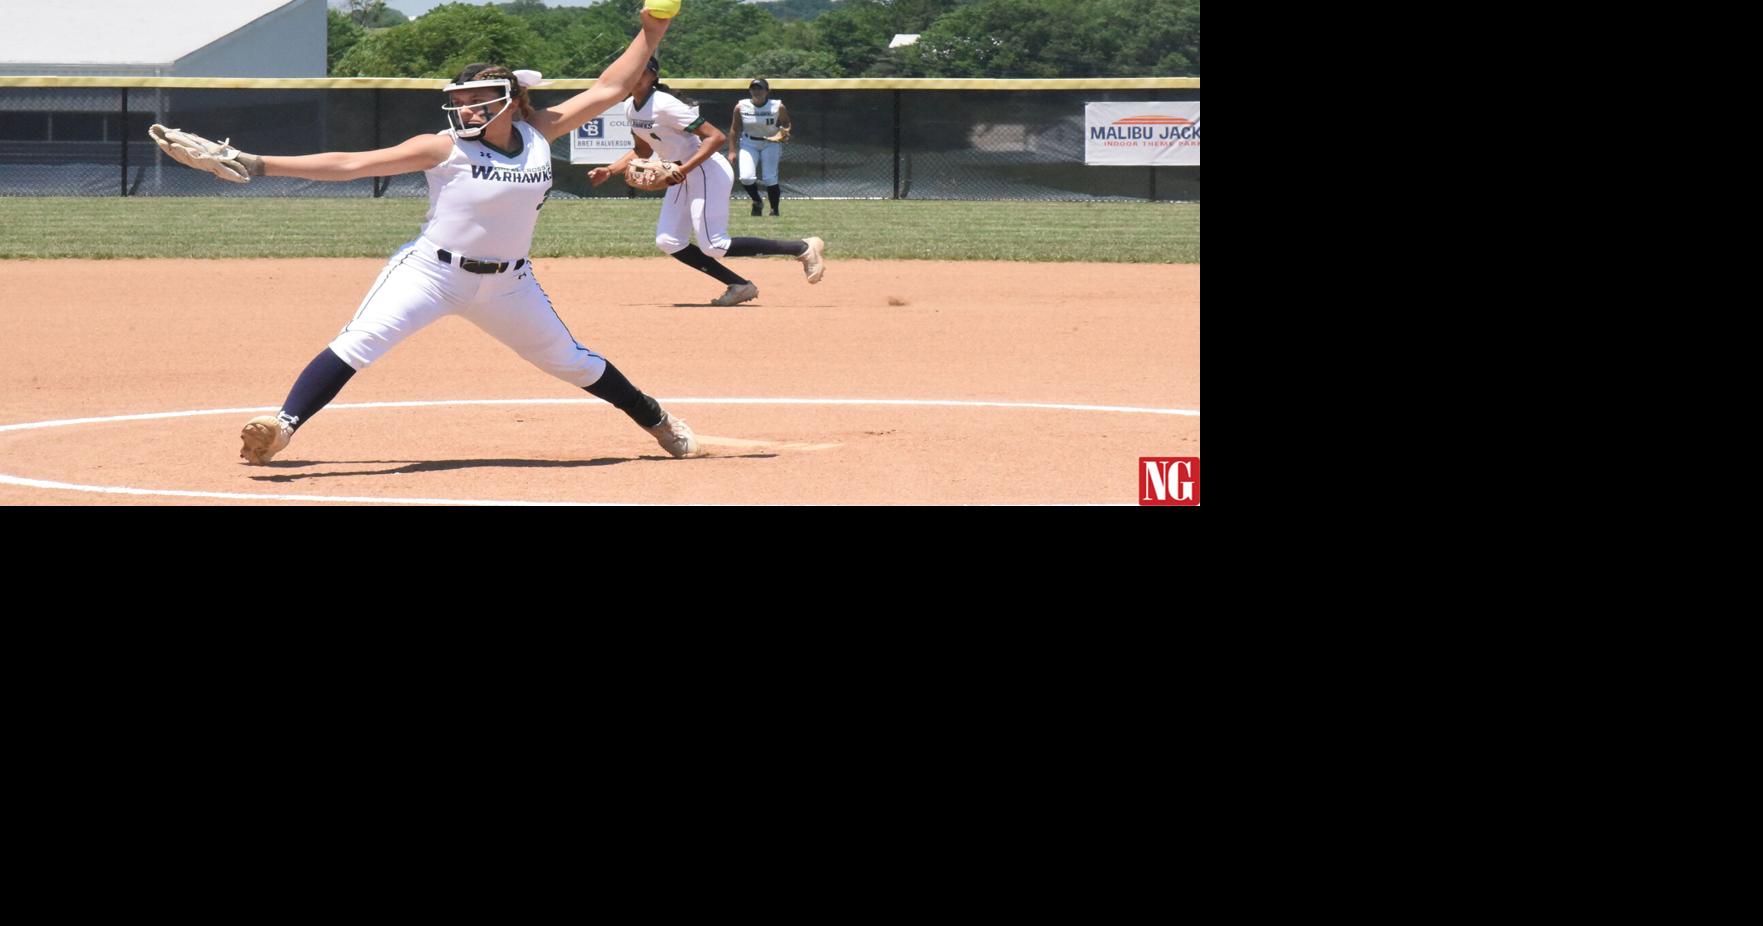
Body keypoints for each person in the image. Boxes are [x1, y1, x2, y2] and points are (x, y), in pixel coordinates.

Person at [157, 12, 703, 464]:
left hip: (510, 286)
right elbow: (351, 163)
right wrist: (259, 164)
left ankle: (659, 421)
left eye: (478, 98)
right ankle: (281, 426)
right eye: (461, 99)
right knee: (358, 342)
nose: (465, 108)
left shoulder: (539, 133)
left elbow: (611, 85)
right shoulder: (443, 146)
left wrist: (653, 26)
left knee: (574, 362)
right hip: (432, 274)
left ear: (509, 100)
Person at [589, 59, 824, 308]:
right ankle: (740, 285)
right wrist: (611, 169)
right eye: (631, 70)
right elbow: (642, 150)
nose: (634, 74)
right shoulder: (630, 108)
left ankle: (802, 247)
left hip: (704, 169)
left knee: (714, 245)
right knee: (668, 240)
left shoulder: (664, 104)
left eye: (641, 70)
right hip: (678, 173)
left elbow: (716, 137)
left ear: (652, 76)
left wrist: (683, 169)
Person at [728, 78, 791, 217]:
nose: (757, 91)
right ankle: (757, 202)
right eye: (754, 88)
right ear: (750, 90)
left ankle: (774, 210)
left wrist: (784, 132)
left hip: (771, 143)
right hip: (749, 142)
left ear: (767, 91)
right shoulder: (741, 106)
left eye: (760, 88)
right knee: (746, 177)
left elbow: (786, 123)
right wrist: (732, 151)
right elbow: (734, 129)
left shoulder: (777, 106)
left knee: (770, 178)